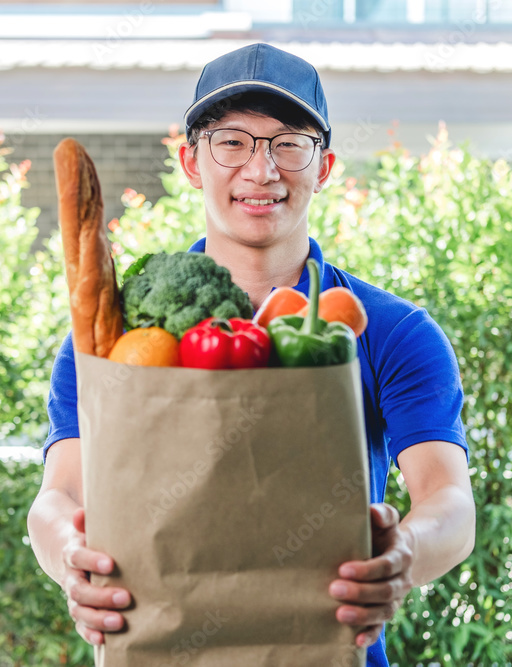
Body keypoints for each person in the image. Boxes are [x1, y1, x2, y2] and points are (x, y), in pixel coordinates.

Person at [27, 43, 476, 667]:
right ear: (191, 162)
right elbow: (59, 496)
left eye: (289, 144)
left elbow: (449, 502)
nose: (261, 171)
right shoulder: (115, 336)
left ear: (323, 167)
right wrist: (71, 560)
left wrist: (404, 554)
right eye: (231, 142)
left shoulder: (392, 331)